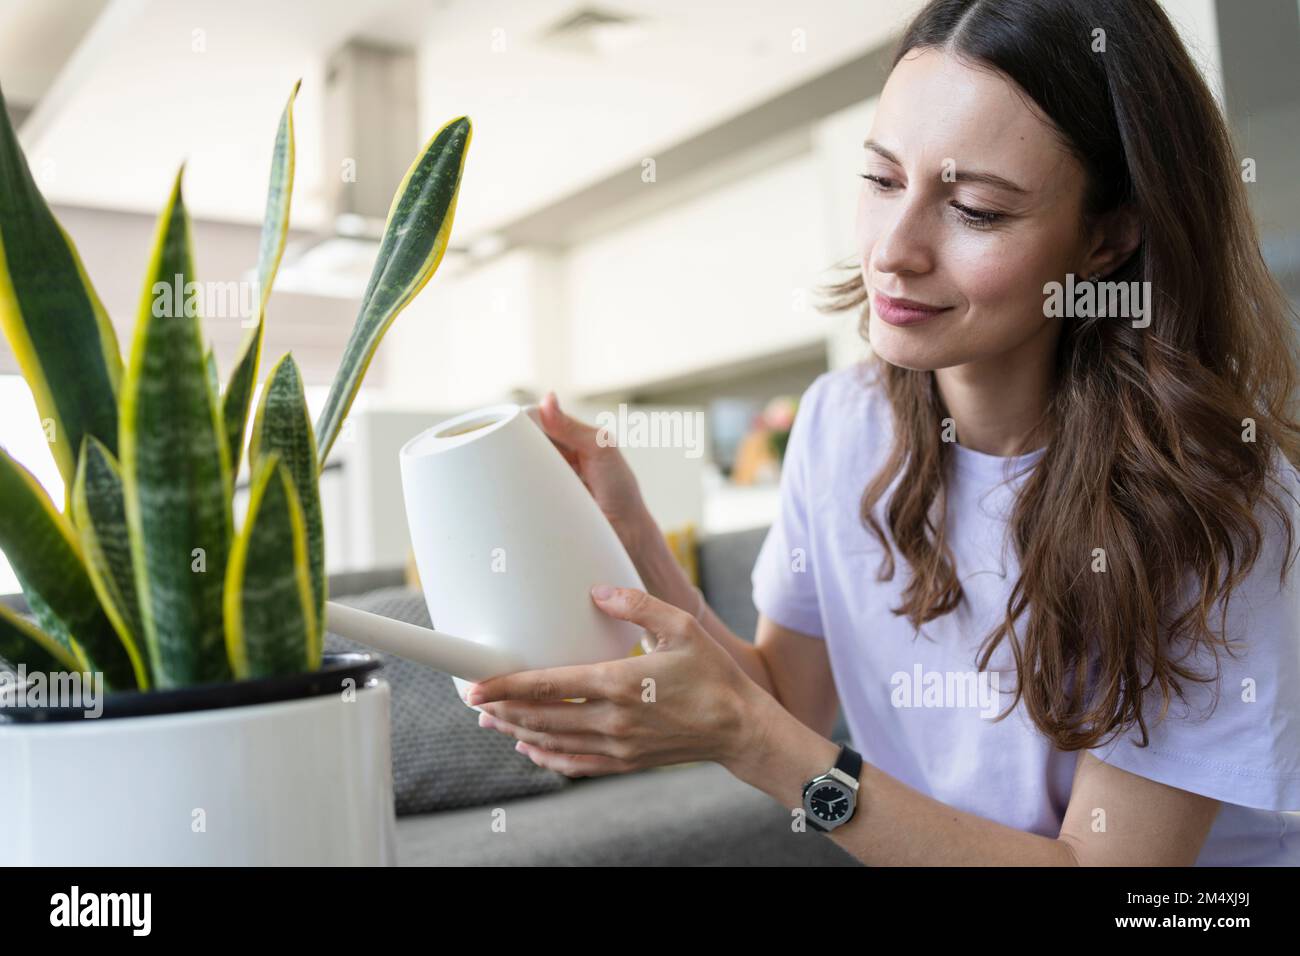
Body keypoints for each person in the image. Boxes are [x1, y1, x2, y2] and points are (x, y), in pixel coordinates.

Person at [465, 0, 1300, 865]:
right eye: (880, 180)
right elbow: (784, 695)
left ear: (1107, 240)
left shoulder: (1221, 500)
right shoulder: (841, 424)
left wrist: (749, 739)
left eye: (974, 208)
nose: (894, 250)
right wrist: (627, 528)